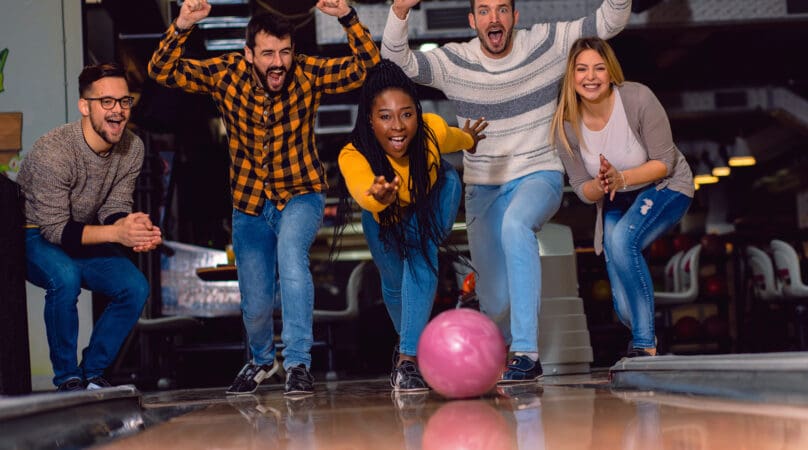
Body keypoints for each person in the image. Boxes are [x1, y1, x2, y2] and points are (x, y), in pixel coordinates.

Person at [382, 0, 632, 382]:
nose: (493, 18)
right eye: (484, 11)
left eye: (501, 9)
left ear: (515, 17)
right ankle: (494, 353)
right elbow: (396, 61)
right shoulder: (455, 61)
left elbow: (609, 21)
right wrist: (399, 11)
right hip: (483, 186)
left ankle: (526, 353)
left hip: (539, 174)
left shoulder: (546, 43)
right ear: (473, 20)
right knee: (495, 298)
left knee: (517, 225)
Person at [148, 0, 380, 395]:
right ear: (249, 53)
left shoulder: (307, 72)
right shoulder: (225, 74)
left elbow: (368, 67)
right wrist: (182, 24)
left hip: (301, 194)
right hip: (249, 205)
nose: (279, 63)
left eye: (285, 52)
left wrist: (347, 18)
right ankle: (260, 360)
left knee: (292, 261)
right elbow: (162, 70)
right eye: (269, 53)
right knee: (255, 305)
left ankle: (298, 364)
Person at [333, 60, 487, 391]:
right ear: (370, 121)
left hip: (432, 198)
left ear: (417, 113)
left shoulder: (430, 129)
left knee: (420, 253)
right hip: (382, 216)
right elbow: (365, 192)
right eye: (385, 116)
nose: (398, 126)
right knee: (393, 281)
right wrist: (379, 196)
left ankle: (407, 360)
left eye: (406, 114)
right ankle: (414, 346)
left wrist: (470, 139)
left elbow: (455, 138)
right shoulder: (353, 153)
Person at [18, 63, 163, 392]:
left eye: (124, 102)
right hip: (33, 233)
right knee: (65, 278)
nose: (118, 112)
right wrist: (117, 234)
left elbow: (113, 207)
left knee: (135, 287)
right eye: (107, 102)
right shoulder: (53, 152)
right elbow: (55, 230)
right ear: (85, 106)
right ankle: (67, 378)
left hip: (81, 231)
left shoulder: (132, 148)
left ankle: (93, 374)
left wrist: (132, 226)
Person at [550, 37, 693, 357]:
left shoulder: (638, 98)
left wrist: (621, 177)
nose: (591, 76)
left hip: (666, 187)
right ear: (571, 77)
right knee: (624, 307)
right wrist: (603, 183)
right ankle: (643, 331)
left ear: (611, 72)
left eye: (599, 68)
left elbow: (663, 162)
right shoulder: (566, 126)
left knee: (621, 241)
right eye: (582, 69)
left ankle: (645, 345)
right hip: (616, 196)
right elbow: (582, 187)